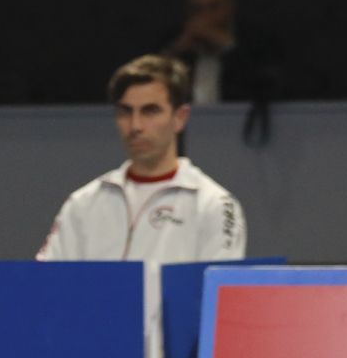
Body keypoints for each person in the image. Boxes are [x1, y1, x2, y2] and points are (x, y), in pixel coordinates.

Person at [36, 55, 245, 262]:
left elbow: (219, 282)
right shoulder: (83, 203)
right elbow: (47, 277)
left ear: (180, 117)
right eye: (125, 112)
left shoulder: (215, 205)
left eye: (150, 111)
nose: (135, 126)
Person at [156, 0, 287, 104]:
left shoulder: (257, 43)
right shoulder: (173, 44)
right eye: (196, 9)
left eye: (214, 7)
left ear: (231, 6)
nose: (205, 16)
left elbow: (271, 90)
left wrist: (228, 47)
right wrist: (175, 53)